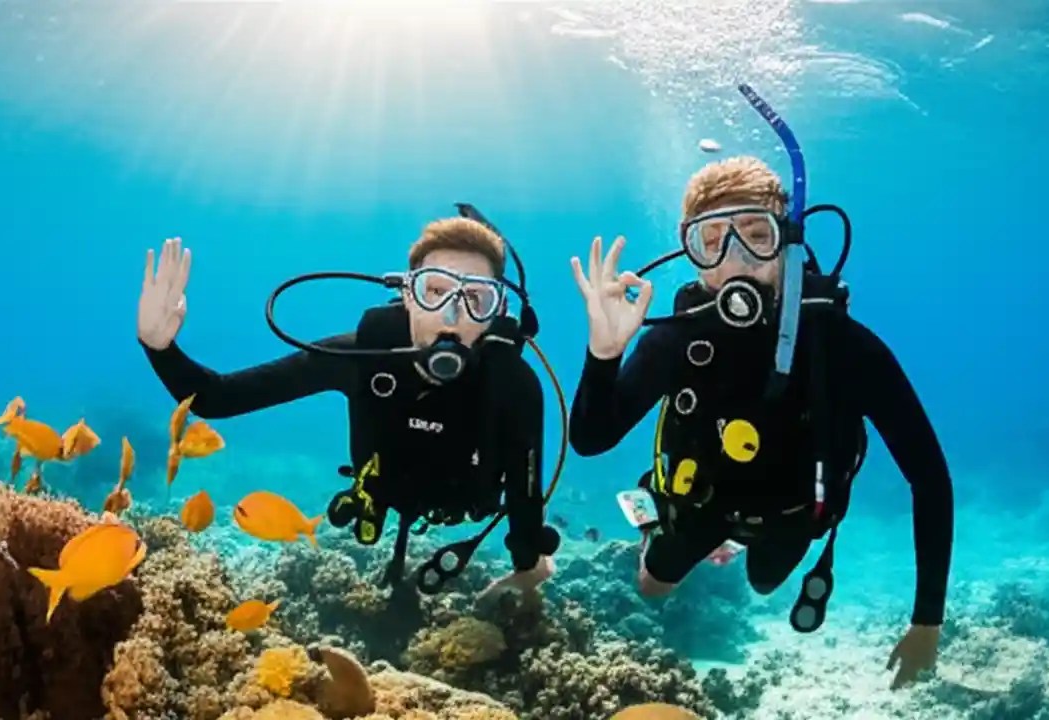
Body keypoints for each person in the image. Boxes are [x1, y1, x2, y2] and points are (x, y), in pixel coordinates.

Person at [566, 85, 953, 690]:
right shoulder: (675, 340)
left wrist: (927, 620)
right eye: (712, 242)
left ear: (788, 244)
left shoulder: (845, 347)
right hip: (696, 502)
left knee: (767, 583)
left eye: (757, 235)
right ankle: (676, 536)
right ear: (691, 255)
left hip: (794, 516)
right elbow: (590, 439)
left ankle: (738, 550)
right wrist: (604, 353)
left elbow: (929, 476)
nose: (737, 260)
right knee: (651, 588)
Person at [137, 213, 561, 600]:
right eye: (434, 290)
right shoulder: (360, 356)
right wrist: (160, 348)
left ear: (496, 312)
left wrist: (527, 566)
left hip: (462, 506)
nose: (451, 315)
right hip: (379, 489)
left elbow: (526, 491)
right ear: (407, 295)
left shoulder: (514, 386)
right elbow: (218, 398)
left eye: (476, 299)